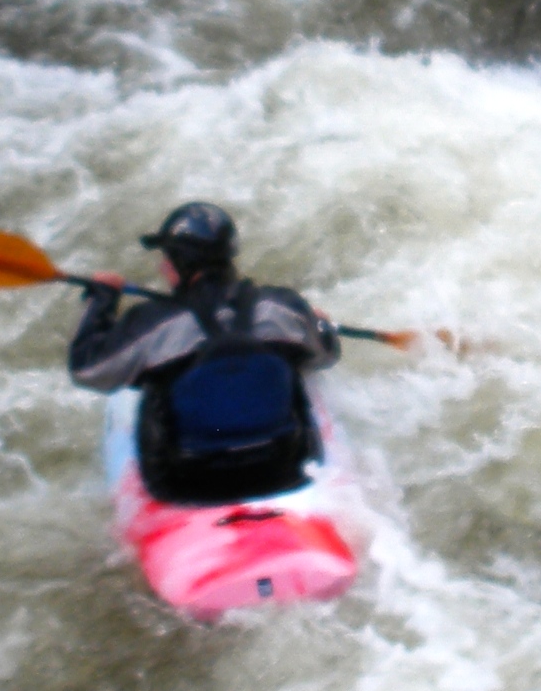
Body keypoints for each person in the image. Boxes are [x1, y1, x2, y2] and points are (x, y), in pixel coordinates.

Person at [69, 202, 340, 505]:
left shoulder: (153, 324)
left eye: (167, 259)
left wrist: (101, 302)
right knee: (295, 362)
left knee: (153, 378)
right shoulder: (284, 307)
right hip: (286, 470)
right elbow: (325, 355)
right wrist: (320, 325)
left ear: (181, 264)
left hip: (187, 484)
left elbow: (88, 371)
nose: (162, 267)